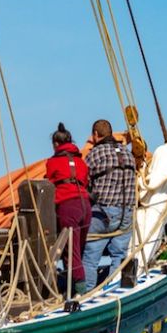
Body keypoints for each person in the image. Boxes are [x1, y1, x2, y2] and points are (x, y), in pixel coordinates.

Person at [82, 119, 137, 287]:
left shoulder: (96, 154)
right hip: (126, 214)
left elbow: (83, 178)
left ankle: (87, 294)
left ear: (95, 135)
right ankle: (113, 291)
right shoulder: (128, 153)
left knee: (90, 258)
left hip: (104, 214)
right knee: (119, 256)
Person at [44, 122, 91, 293]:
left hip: (68, 205)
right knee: (80, 249)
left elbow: (48, 184)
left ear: (56, 144)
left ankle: (80, 292)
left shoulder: (53, 162)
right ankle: (74, 287)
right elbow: (85, 181)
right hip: (85, 205)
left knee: (71, 252)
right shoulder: (81, 161)